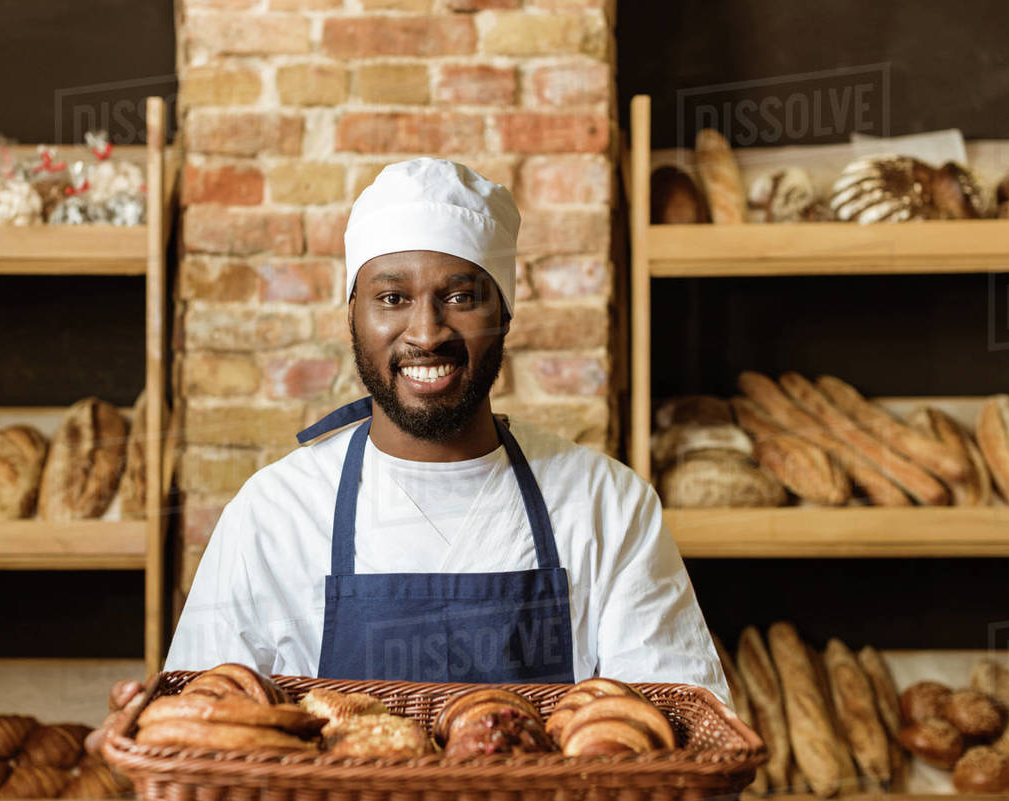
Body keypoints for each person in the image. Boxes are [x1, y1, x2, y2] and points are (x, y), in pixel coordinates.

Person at [163, 158, 729, 699]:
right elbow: (194, 741)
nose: (427, 332)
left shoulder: (607, 505)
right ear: (352, 314)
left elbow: (679, 745)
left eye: (460, 297)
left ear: (504, 313)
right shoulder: (275, 514)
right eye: (393, 298)